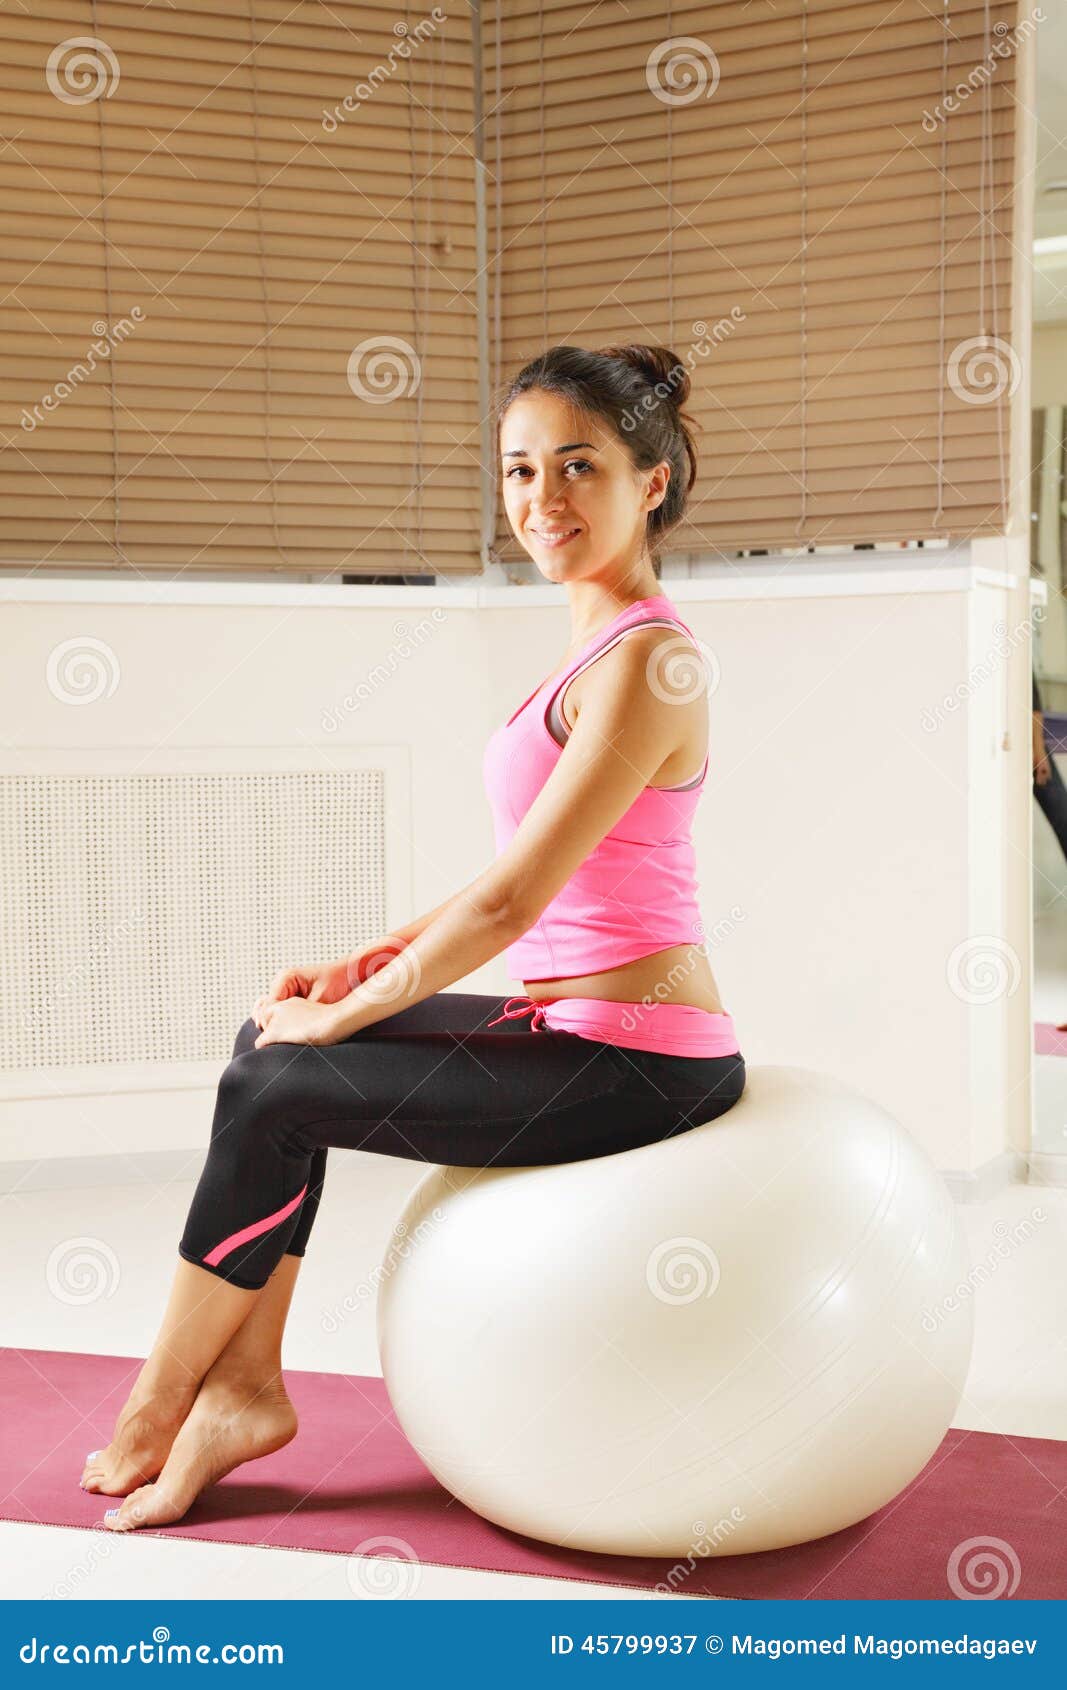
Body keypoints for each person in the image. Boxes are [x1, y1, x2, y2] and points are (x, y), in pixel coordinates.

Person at [83, 343, 747, 1531]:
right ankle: (242, 1386)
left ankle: (161, 1400)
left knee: (280, 1084)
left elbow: (510, 906)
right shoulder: (598, 647)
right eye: (519, 470)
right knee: (264, 1047)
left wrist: (355, 1008)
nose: (541, 497)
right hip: (566, 1026)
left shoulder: (653, 661)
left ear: (649, 483)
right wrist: (365, 965)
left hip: (640, 1062)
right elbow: (506, 878)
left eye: (578, 466)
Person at [1033, 670, 1067, 865]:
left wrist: (1039, 750)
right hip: (1030, 748)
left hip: (1032, 747)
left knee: (1062, 816)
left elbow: (1034, 705)